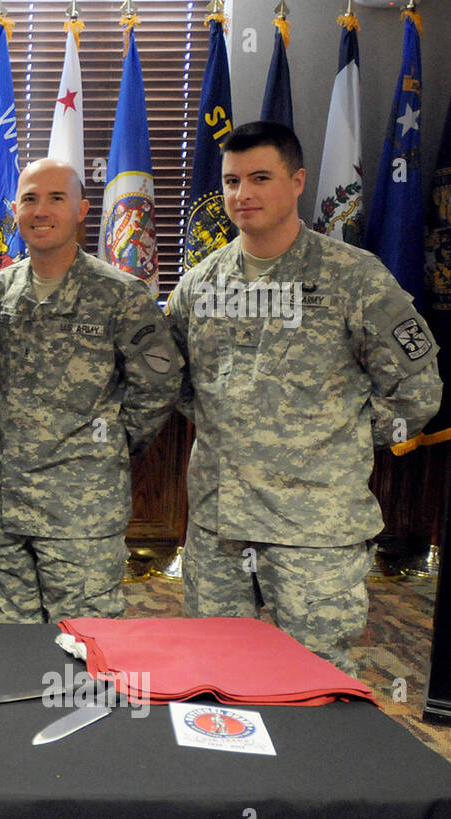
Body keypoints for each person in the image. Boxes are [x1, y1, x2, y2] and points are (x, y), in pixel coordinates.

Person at [167, 121, 442, 674]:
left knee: (316, 682)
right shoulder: (199, 283)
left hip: (313, 531)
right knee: (215, 678)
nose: (242, 195)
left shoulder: (354, 278)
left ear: (297, 181)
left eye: (260, 178)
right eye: (231, 181)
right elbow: (174, 378)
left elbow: (417, 387)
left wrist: (334, 438)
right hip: (219, 528)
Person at [0, 157, 181, 623]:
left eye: (55, 198)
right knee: (8, 636)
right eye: (30, 199)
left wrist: (112, 444)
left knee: (85, 643)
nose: (41, 210)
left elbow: (160, 383)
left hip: (81, 510)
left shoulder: (121, 295)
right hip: (6, 500)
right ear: (15, 209)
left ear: (82, 209)